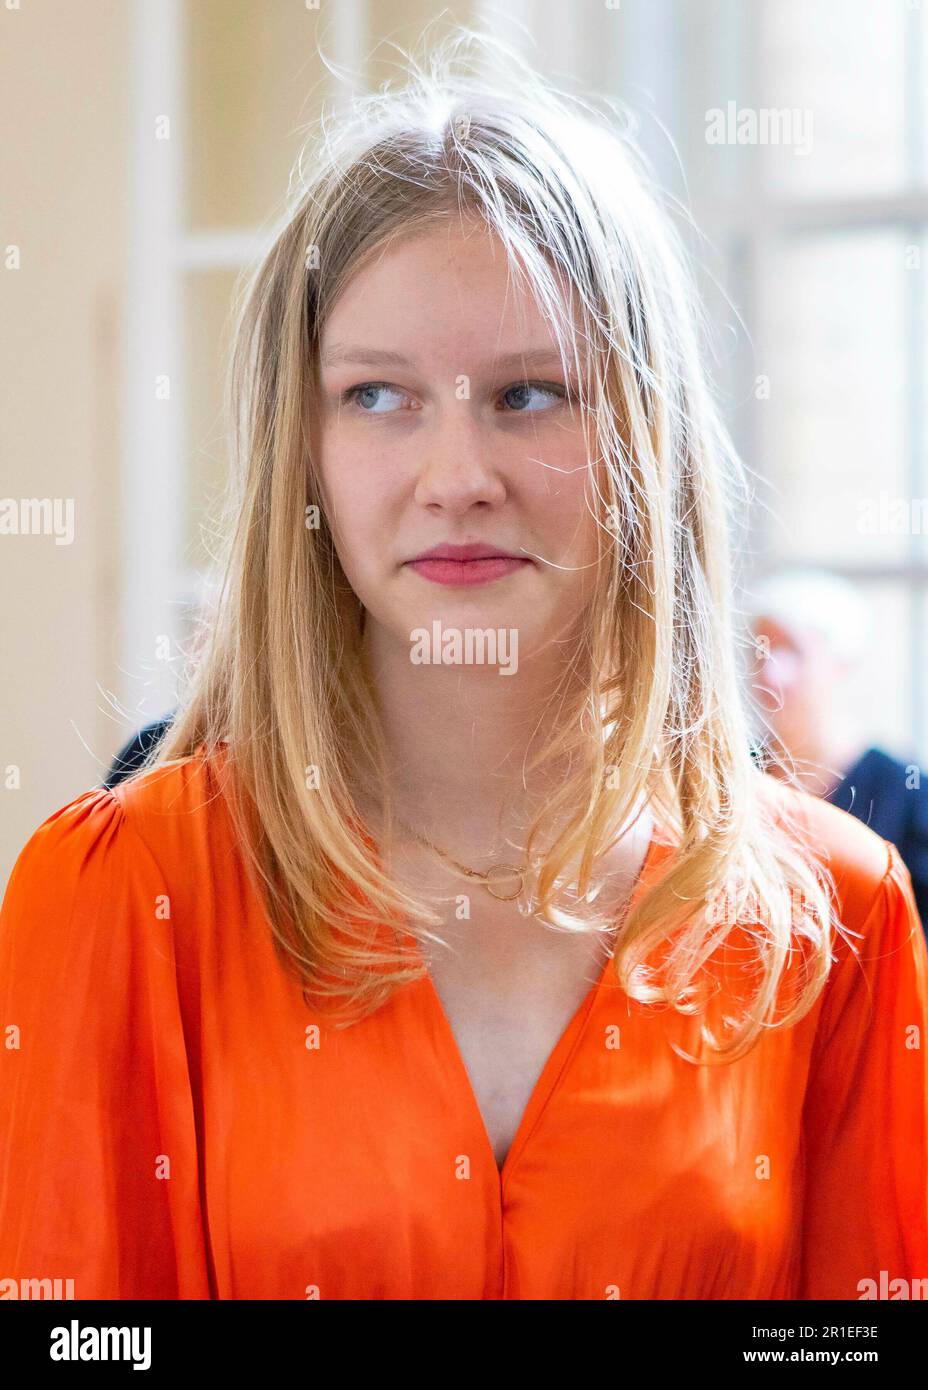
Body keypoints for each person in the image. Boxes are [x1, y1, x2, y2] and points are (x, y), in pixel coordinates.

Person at [1, 30, 926, 1302]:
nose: (457, 479)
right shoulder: (125, 895)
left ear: (642, 442)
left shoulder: (837, 918)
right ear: (301, 449)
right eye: (379, 397)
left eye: (530, 393)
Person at [748, 568, 928, 934]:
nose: (771, 673)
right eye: (760, 651)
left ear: (842, 662)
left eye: (792, 652)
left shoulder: (908, 795)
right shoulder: (727, 780)